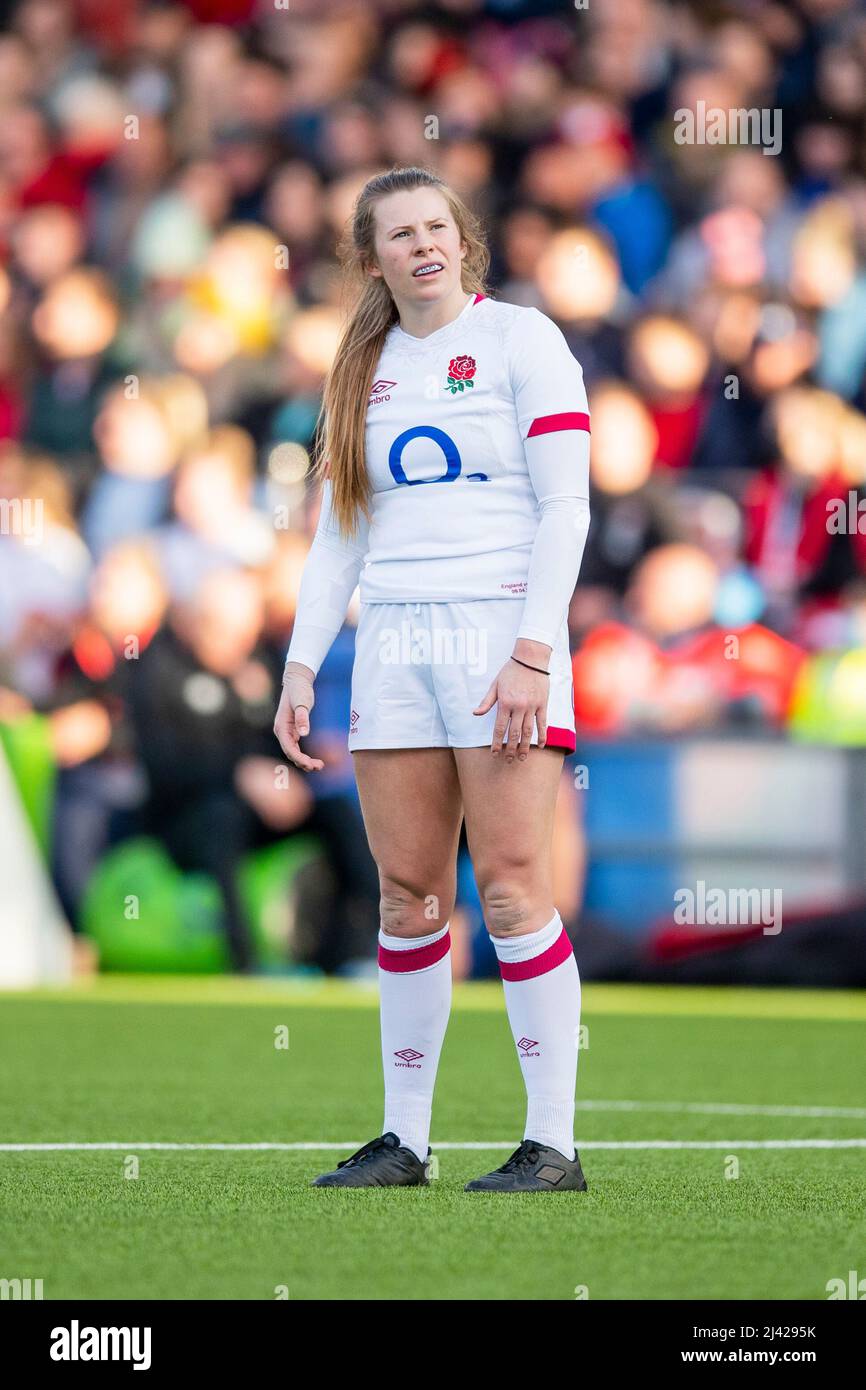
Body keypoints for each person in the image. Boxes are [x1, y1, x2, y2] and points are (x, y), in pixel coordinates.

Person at [274, 166, 592, 1192]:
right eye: (398, 234)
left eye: (436, 227)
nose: (422, 245)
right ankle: (404, 1139)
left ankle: (552, 1143)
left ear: (462, 240)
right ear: (370, 258)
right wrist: (299, 661)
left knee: (507, 885)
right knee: (408, 896)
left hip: (500, 630)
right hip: (395, 643)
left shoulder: (522, 340)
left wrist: (533, 652)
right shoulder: (359, 366)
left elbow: (567, 508)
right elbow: (338, 539)